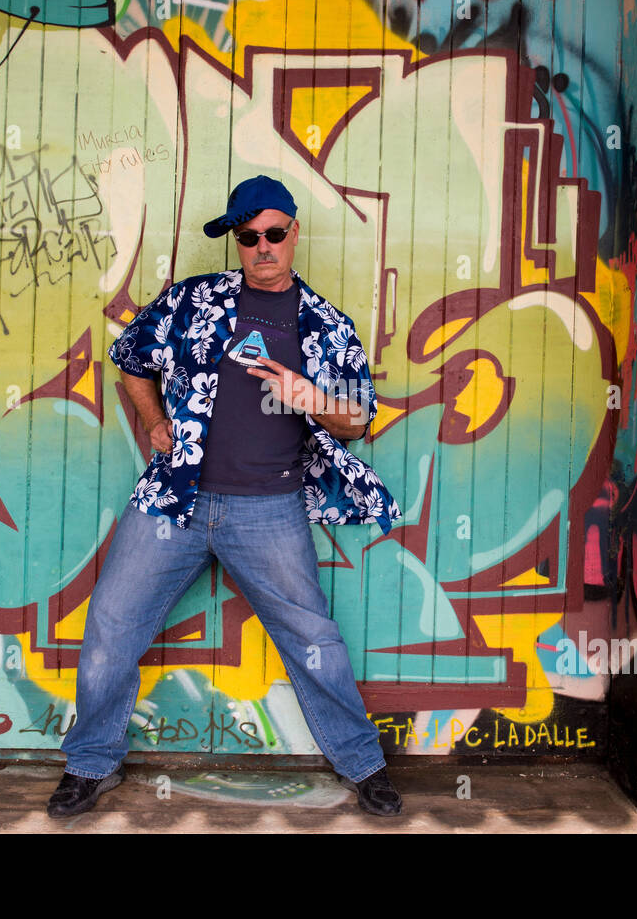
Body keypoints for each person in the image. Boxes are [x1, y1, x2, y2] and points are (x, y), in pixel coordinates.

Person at [47, 175, 404, 818]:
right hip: (174, 498)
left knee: (313, 638)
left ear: (294, 233)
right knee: (110, 626)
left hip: (267, 508)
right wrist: (151, 422)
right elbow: (130, 358)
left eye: (273, 233)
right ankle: (89, 764)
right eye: (248, 237)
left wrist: (310, 399)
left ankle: (363, 765)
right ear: (237, 243)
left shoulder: (323, 324)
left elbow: (358, 419)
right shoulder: (194, 302)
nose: (262, 246)